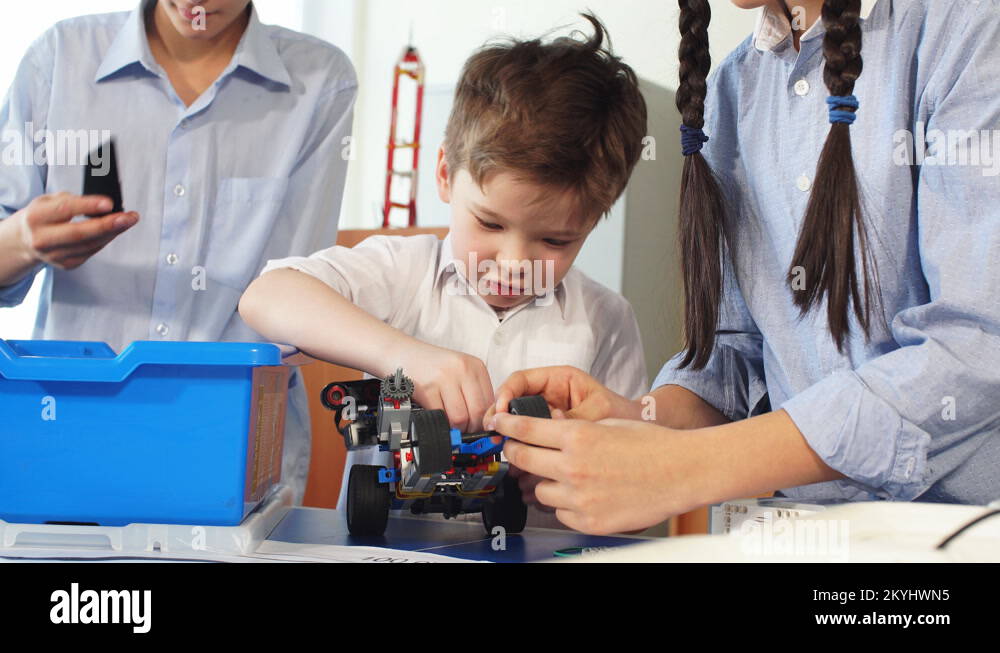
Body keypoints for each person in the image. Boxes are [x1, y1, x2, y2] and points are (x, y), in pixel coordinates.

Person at [486, 0, 1000, 534]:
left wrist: (681, 467)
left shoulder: (965, 30)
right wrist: (636, 417)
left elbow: (977, 346)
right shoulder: (732, 87)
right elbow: (739, 351)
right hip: (810, 534)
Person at [238, 14, 649, 517]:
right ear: (443, 175)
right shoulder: (403, 270)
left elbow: (637, 481)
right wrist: (404, 356)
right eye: (491, 225)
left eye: (556, 239)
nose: (516, 263)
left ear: (595, 220)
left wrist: (569, 477)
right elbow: (267, 295)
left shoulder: (605, 320)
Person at [0, 0, 358, 503]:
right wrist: (24, 241)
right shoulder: (60, 58)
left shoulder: (320, 80)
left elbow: (301, 290)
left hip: (231, 447)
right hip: (70, 431)